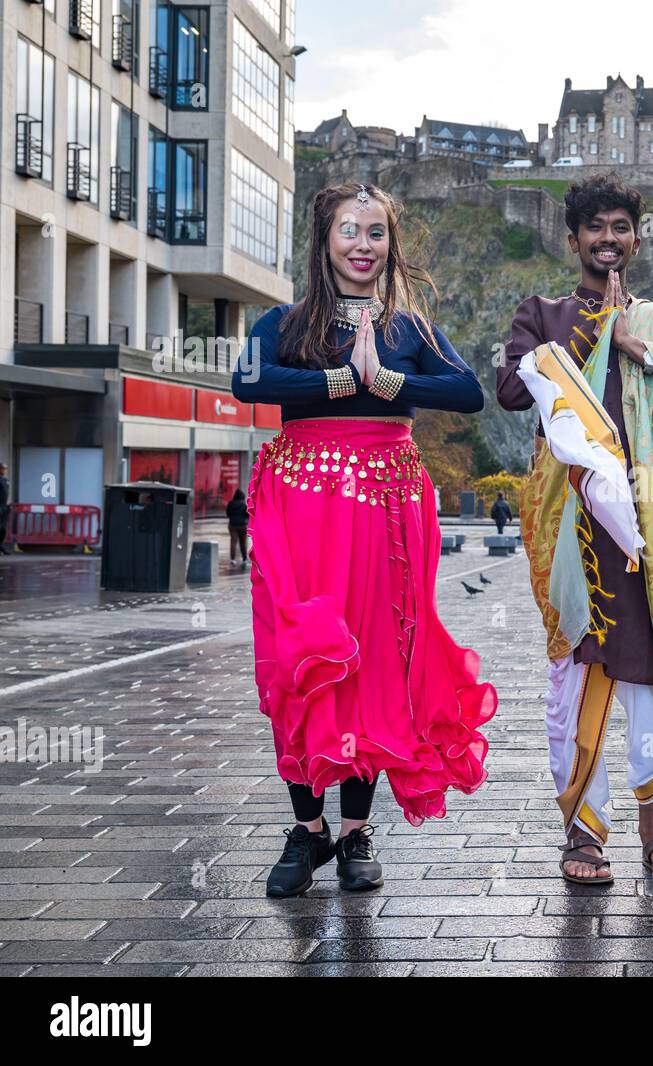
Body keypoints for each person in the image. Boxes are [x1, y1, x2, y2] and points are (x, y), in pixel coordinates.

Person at [231, 181, 497, 898]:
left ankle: (354, 834)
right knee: (300, 655)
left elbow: (469, 392)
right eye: (350, 230)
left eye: (376, 233)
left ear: (390, 245)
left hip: (385, 505)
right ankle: (307, 828)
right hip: (303, 502)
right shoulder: (282, 323)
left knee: (375, 660)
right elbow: (251, 382)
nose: (362, 245)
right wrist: (348, 380)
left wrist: (389, 377)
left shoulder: (411, 330)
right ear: (324, 240)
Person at [497, 173, 653, 885]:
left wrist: (639, 349)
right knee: (579, 671)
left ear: (638, 236)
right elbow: (511, 388)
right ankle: (583, 836)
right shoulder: (542, 314)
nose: (608, 239)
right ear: (572, 239)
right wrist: (575, 343)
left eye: (620, 228)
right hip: (575, 529)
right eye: (594, 228)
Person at [226, 489, 249, 566]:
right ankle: (244, 558)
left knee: (233, 541)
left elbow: (228, 513)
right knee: (243, 542)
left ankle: (232, 559)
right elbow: (247, 515)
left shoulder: (230, 504)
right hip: (243, 525)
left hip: (232, 525)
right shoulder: (244, 505)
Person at [0, 462, 10, 555]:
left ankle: (1, 545)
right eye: (2, 468)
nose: (3, 470)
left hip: (4, 506)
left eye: (4, 469)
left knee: (3, 528)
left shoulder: (5, 480)